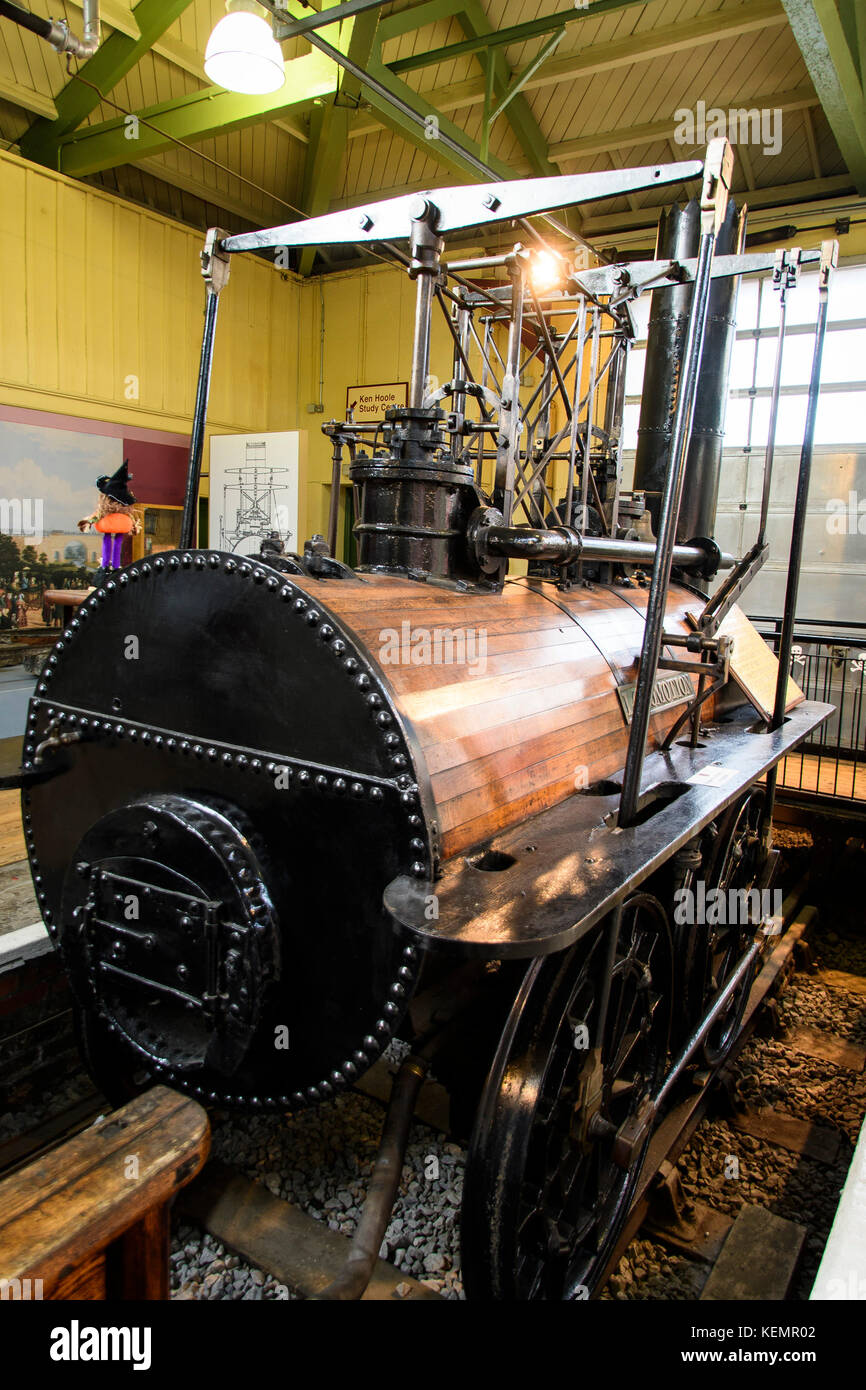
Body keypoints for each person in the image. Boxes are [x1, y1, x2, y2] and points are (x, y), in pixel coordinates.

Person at [78, 460, 141, 579]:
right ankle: (107, 565)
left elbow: (97, 516)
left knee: (115, 541)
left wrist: (133, 526)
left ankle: (113, 566)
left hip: (118, 525)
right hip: (112, 525)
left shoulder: (122, 512)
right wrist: (89, 522)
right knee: (112, 540)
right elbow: (97, 515)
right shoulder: (106, 511)